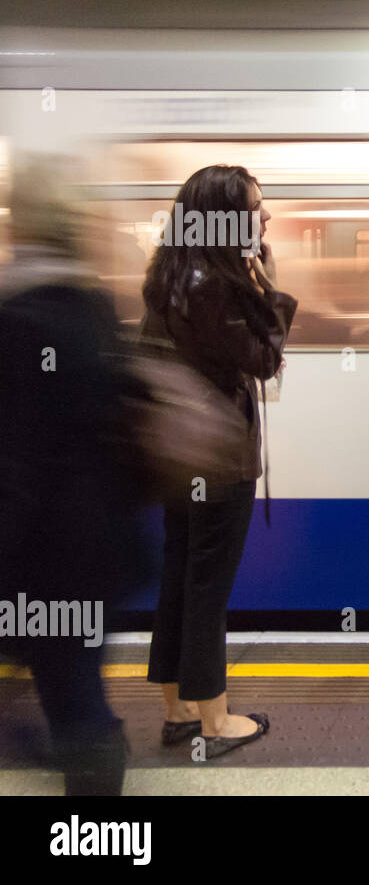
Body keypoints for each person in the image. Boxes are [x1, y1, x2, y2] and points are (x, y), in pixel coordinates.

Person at [0, 158, 150, 794]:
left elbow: (17, 459)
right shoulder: (96, 308)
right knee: (75, 686)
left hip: (41, 549)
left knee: (76, 706)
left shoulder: (16, 318)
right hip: (100, 543)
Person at [140, 165, 297, 758]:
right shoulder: (215, 285)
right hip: (219, 458)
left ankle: (179, 709)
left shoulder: (174, 276)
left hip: (180, 457)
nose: (267, 218)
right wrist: (265, 287)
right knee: (207, 587)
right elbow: (262, 359)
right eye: (257, 208)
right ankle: (214, 721)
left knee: (180, 575)